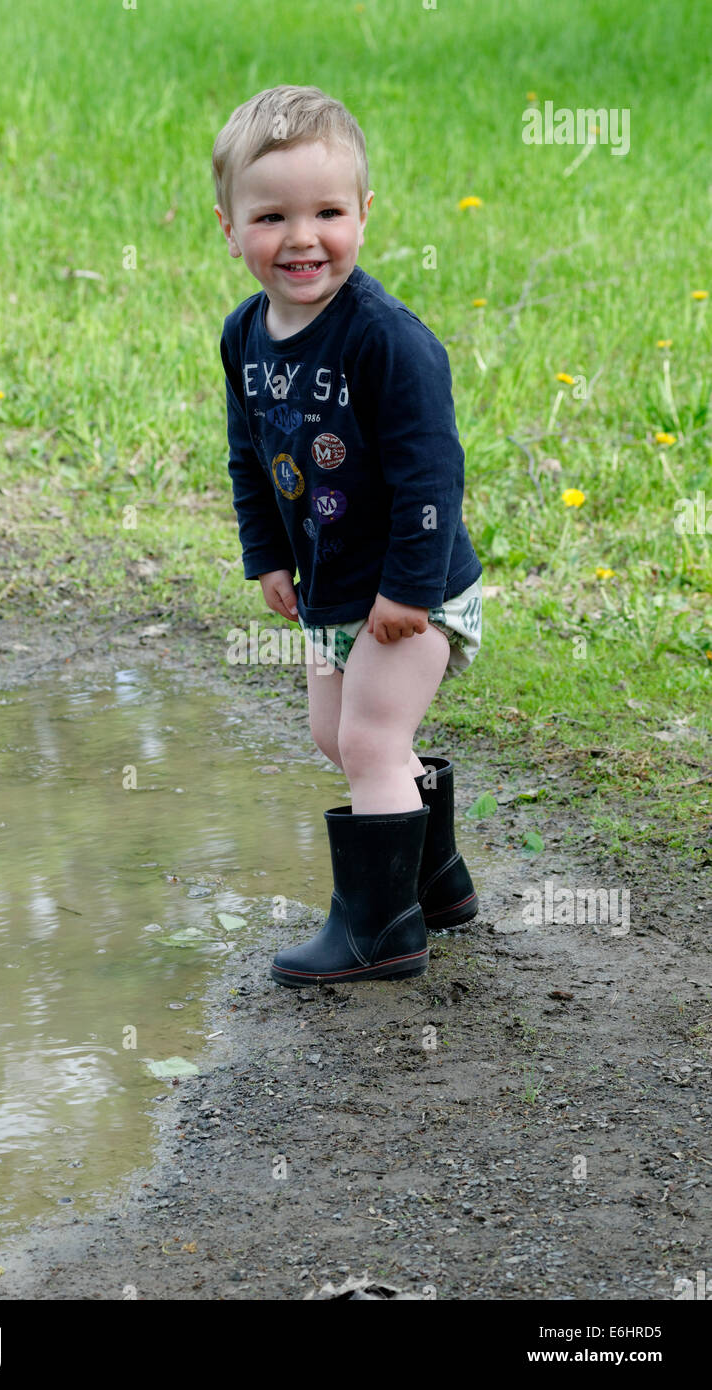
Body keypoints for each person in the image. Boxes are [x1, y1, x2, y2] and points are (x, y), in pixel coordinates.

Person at [212, 85, 483, 987]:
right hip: (330, 581)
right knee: (337, 736)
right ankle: (435, 880)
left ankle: (381, 931)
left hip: (414, 585)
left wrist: (410, 592)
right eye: (272, 216)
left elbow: (431, 479)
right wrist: (268, 558)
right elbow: (249, 456)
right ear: (228, 225)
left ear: (364, 213)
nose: (302, 238)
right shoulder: (245, 336)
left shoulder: (388, 344)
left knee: (370, 740)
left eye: (328, 212)